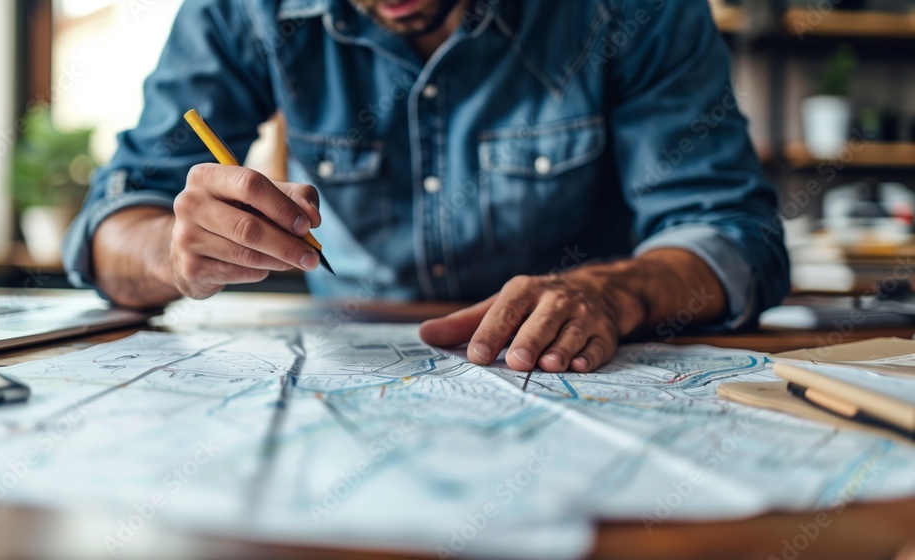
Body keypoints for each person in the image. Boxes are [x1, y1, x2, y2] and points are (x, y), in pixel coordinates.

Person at [63, 0, 789, 374]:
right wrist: (171, 249)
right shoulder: (243, 11)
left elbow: (734, 236)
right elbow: (109, 228)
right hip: (343, 405)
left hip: (586, 379)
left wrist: (617, 292)